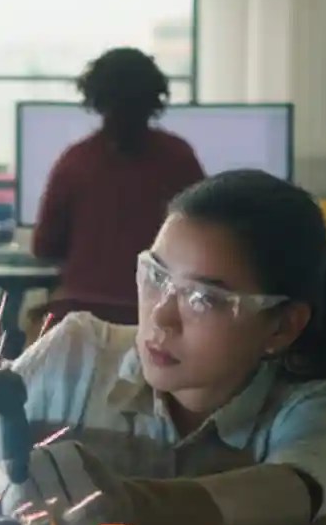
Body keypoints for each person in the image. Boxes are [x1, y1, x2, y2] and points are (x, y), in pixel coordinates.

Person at [0, 171, 326, 525]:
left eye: (203, 298)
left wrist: (129, 505)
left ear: (282, 327)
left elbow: (295, 490)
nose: (161, 317)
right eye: (156, 277)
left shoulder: (316, 405)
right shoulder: (78, 353)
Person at [31, 47, 206, 327]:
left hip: (81, 319)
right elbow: (204, 238)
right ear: (154, 99)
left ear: (96, 100)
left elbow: (44, 246)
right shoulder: (179, 159)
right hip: (156, 316)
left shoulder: (75, 161)